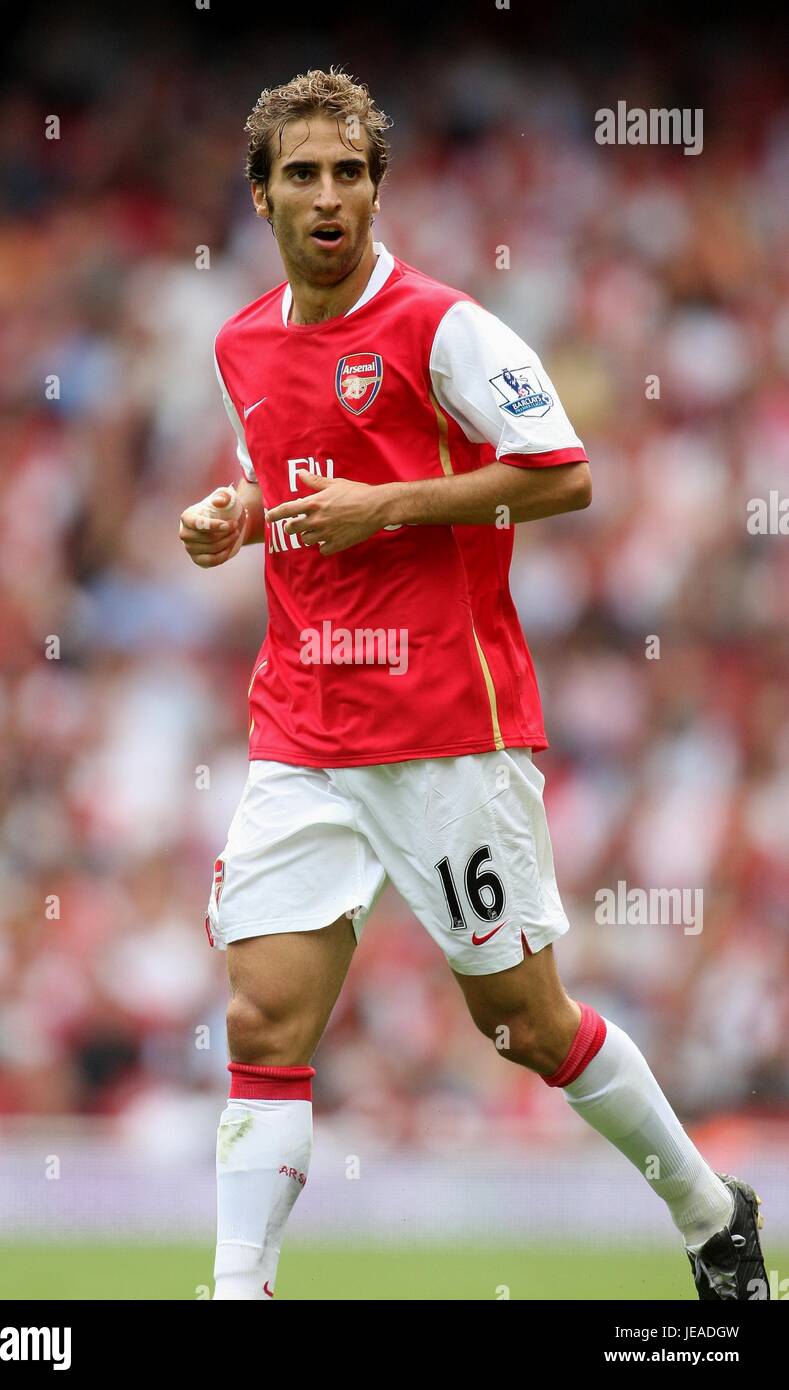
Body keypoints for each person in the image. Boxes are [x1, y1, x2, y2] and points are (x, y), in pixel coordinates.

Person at [179, 67, 767, 1302]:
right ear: (261, 195)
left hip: (449, 731)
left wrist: (387, 504)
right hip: (301, 731)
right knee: (261, 1025)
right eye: (301, 174)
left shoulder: (443, 325)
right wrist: (235, 515)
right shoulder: (239, 341)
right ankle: (237, 1289)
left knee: (523, 1025)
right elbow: (288, 484)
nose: (327, 196)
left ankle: (710, 1212)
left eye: (349, 173)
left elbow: (561, 472)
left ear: (378, 190)